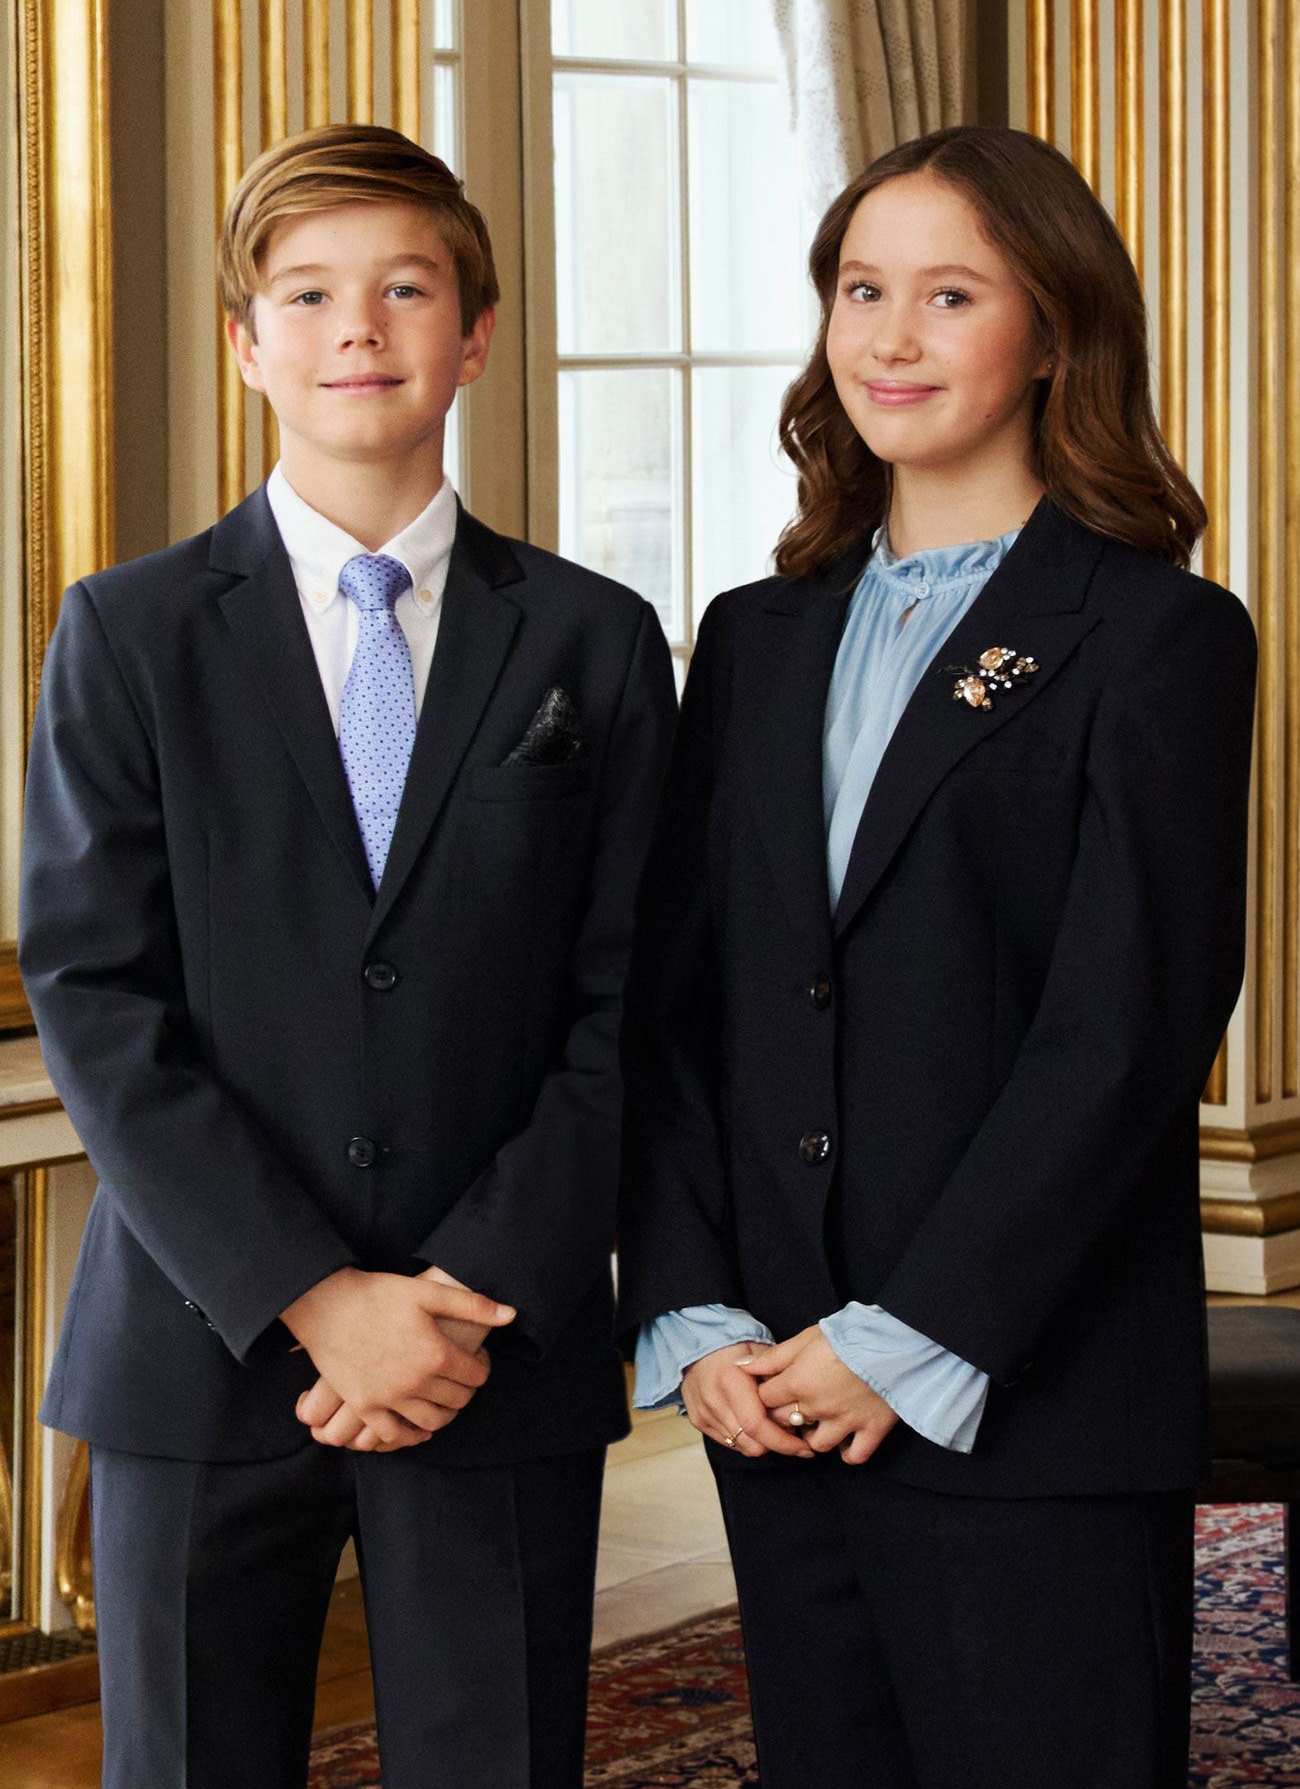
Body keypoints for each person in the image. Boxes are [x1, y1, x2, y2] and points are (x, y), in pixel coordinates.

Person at [20, 122, 676, 1789]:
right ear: (249, 345)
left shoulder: (594, 639)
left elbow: (629, 1001)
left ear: (476, 334)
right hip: (202, 1331)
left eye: (405, 287)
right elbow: (100, 998)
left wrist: (445, 1309)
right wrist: (315, 1297)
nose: (358, 327)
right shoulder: (130, 630)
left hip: (491, 1340)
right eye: (306, 294)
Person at [617, 124, 1256, 1788]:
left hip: (1024, 1392)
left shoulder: (1160, 636)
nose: (889, 337)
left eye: (949, 294)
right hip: (773, 1388)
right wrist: (695, 1309)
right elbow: (678, 1008)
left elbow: (1127, 1031)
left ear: (1053, 330)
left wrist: (904, 1334)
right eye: (861, 289)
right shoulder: (756, 638)